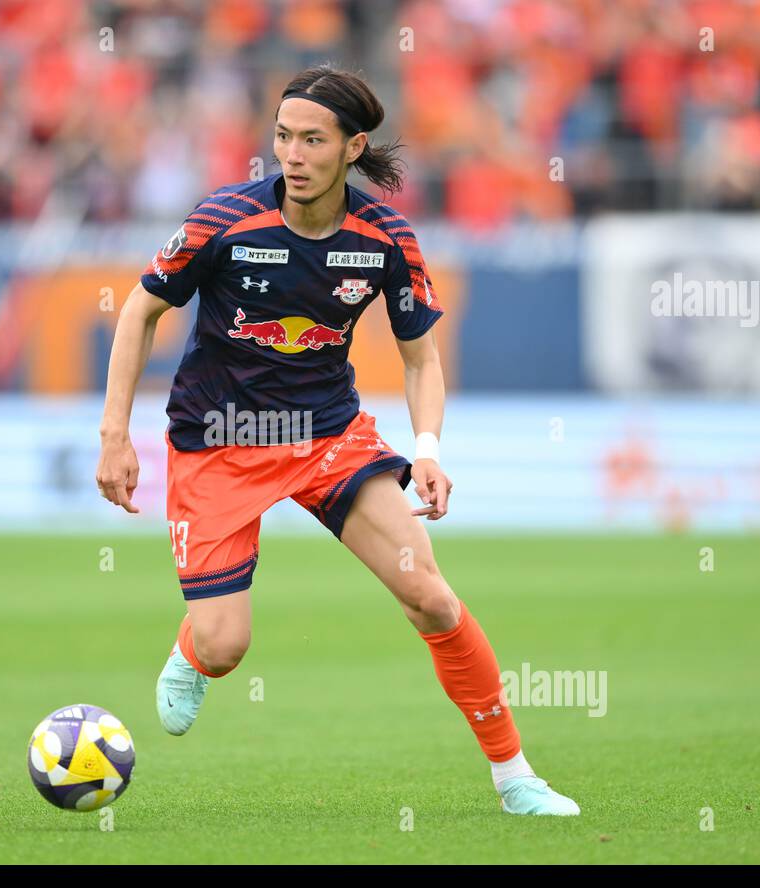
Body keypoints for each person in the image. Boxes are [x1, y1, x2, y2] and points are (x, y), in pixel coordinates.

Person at [96, 65, 579, 816]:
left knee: (432, 599)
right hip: (219, 440)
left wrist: (427, 450)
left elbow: (421, 360)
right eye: (283, 136)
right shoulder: (223, 220)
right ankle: (193, 651)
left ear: (353, 148)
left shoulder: (386, 238)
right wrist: (114, 435)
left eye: (313, 140)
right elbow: (139, 311)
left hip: (327, 437)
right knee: (224, 647)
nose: (293, 155)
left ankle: (515, 779)